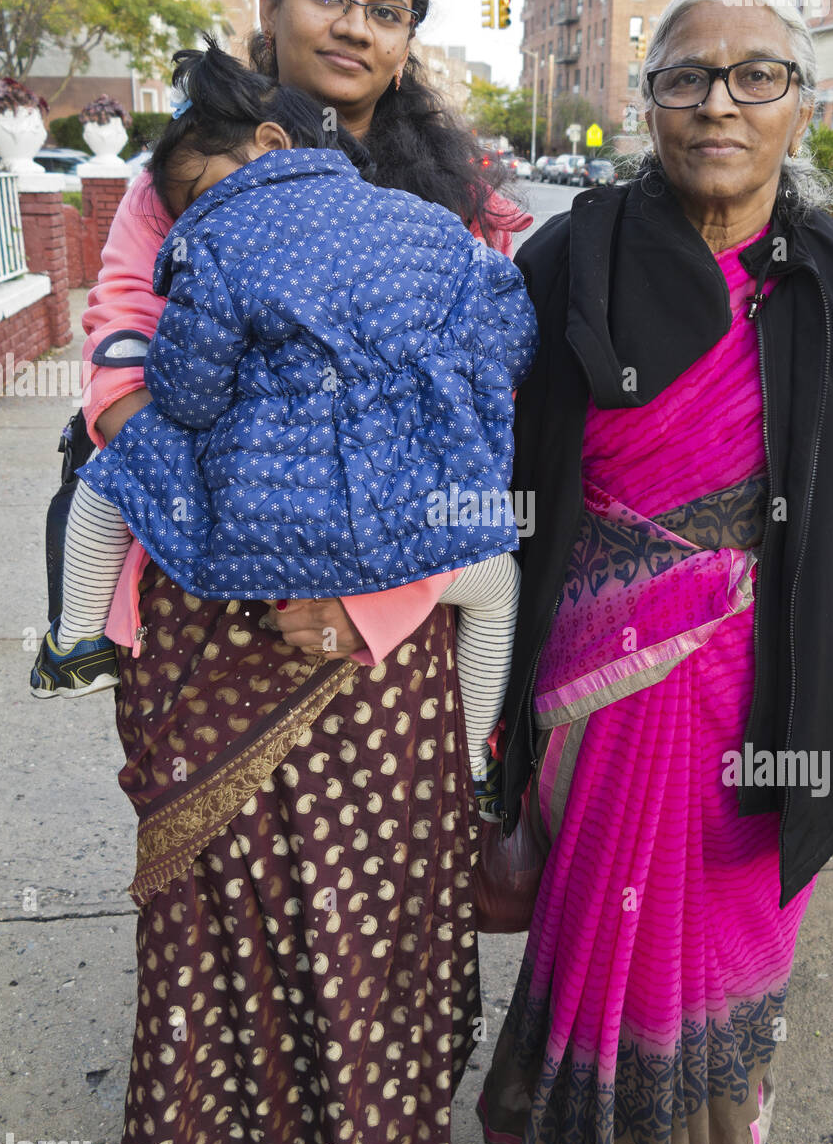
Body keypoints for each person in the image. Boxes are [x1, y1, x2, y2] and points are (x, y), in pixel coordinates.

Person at [68, 0, 532, 1144]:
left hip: (384, 635)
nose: (353, 24)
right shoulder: (195, 162)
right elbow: (121, 324)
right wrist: (126, 421)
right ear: (272, 6)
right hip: (208, 611)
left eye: (386, 9)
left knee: (364, 920)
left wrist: (374, 597)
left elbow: (475, 418)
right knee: (213, 916)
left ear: (410, 39)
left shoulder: (456, 201)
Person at [480, 0, 833, 1144]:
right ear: (648, 105)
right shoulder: (565, 265)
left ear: (802, 106)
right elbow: (499, 494)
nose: (719, 105)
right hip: (600, 692)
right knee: (603, 932)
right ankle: (591, 1137)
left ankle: (718, 1138)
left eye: (758, 76)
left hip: (778, 698)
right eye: (686, 77)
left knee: (737, 947)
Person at [30, 39, 534, 806]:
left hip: (267, 519)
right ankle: (470, 763)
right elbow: (508, 330)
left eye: (198, 192)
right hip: (413, 520)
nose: (196, 213)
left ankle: (73, 642)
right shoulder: (429, 222)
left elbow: (189, 395)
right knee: (497, 585)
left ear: (270, 143)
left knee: (110, 482)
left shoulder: (220, 237)